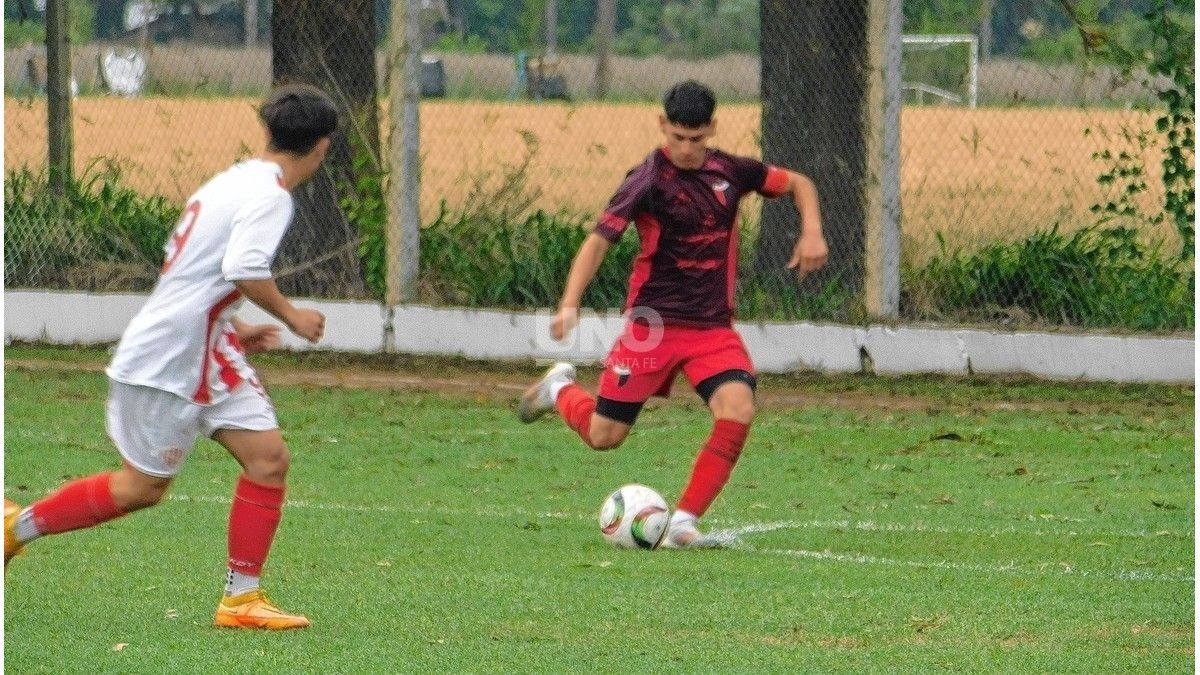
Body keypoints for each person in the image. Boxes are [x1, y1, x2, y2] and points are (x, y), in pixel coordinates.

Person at [4, 83, 337, 629]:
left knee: (268, 459)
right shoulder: (272, 196)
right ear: (323, 147)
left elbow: (194, 269)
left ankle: (241, 600)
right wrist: (291, 316)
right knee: (141, 489)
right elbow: (244, 267)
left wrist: (232, 322)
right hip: (169, 356)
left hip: (207, 346)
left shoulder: (236, 178)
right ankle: (16, 529)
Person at [518, 80, 828, 547]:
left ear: (712, 130)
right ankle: (560, 387)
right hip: (652, 328)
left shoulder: (733, 173)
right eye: (678, 138)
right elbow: (599, 241)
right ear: (662, 126)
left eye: (697, 139)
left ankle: (683, 521)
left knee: (738, 408)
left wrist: (812, 232)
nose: (686, 148)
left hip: (711, 330)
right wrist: (569, 303)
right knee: (604, 435)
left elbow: (798, 183)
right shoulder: (645, 181)